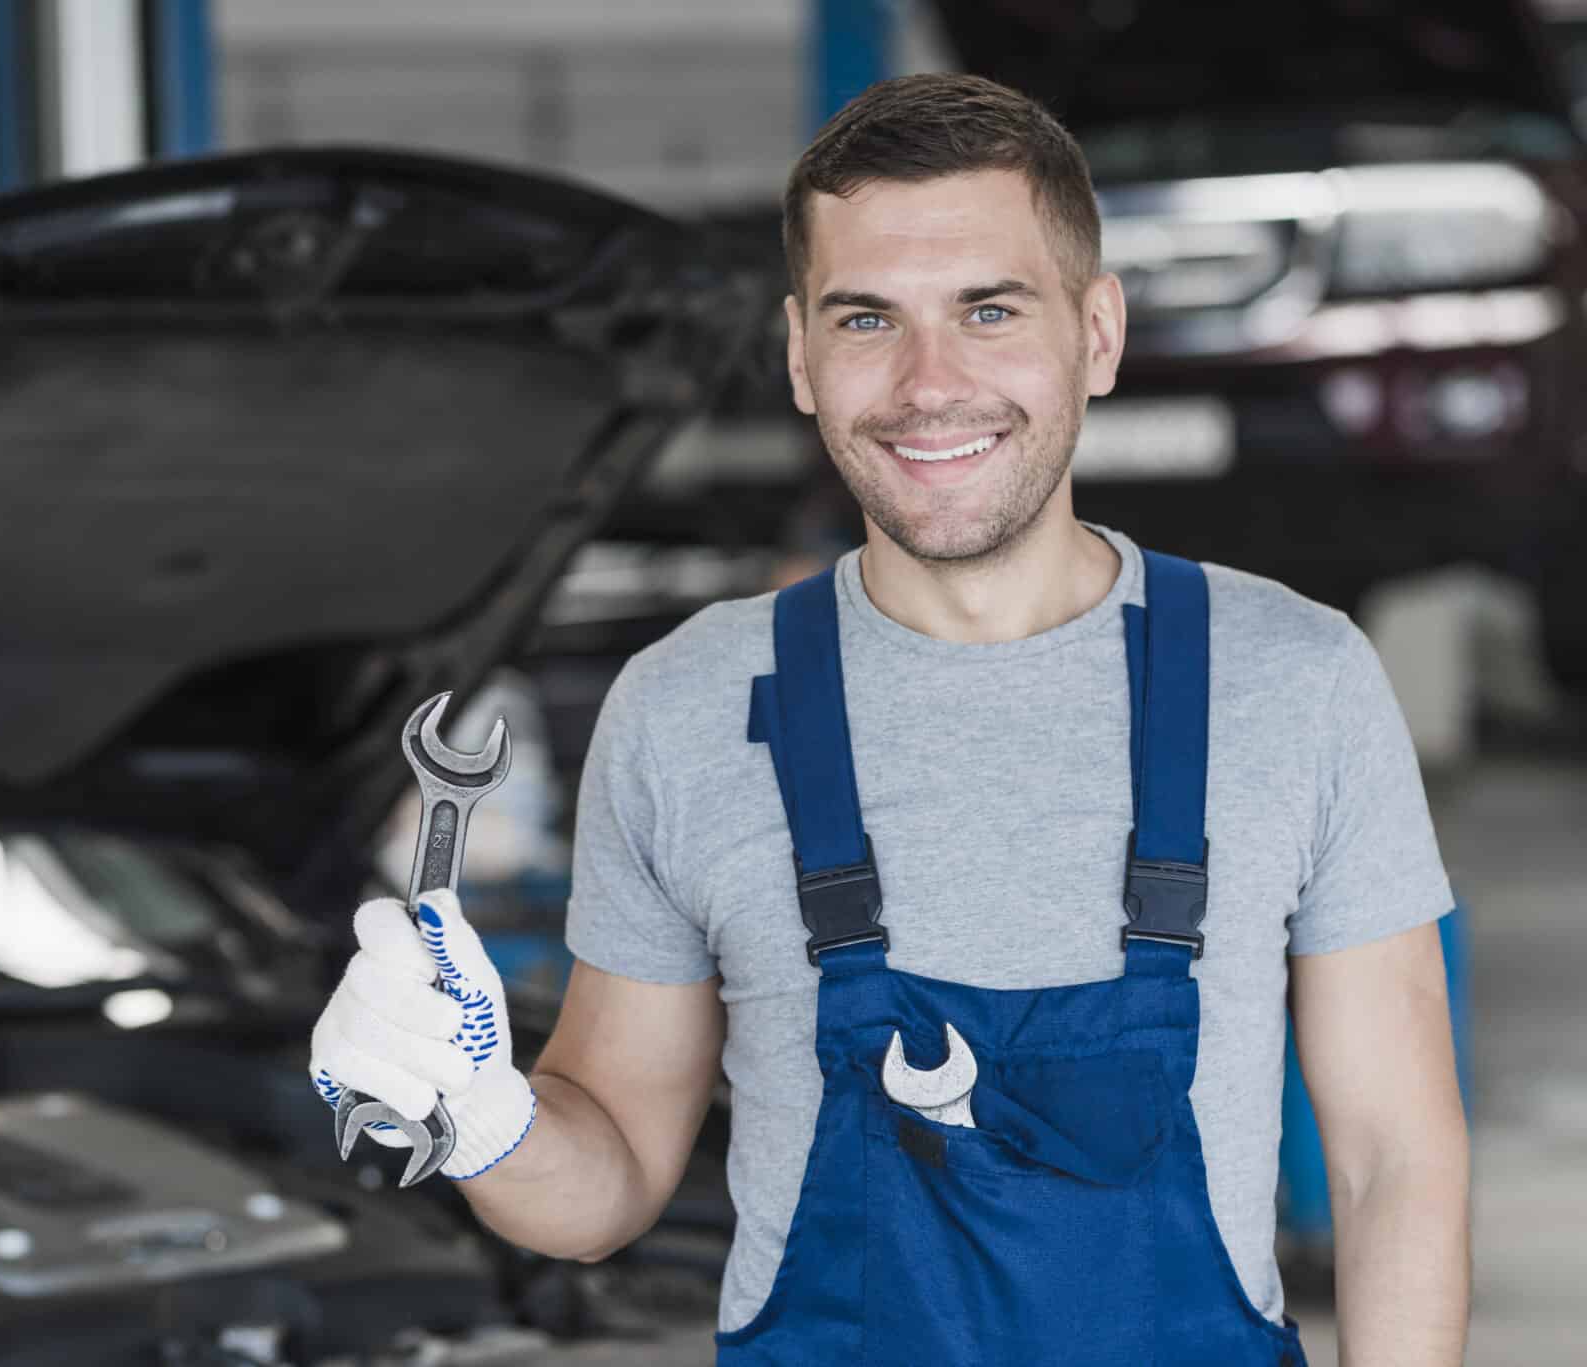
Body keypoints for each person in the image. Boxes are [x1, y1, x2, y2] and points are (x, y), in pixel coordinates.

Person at [309, 73, 1470, 1366]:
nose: (931, 381)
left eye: (989, 309)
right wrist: (480, 1115)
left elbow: (1393, 1165)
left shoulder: (1295, 678)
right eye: (870, 318)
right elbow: (609, 1187)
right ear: (801, 354)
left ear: (1097, 333)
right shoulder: (689, 706)